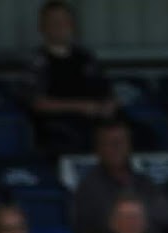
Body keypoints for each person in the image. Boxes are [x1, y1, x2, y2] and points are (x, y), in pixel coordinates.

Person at [72, 120, 168, 233]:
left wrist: (132, 217)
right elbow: (105, 224)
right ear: (99, 148)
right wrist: (141, 216)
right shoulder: (89, 187)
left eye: (121, 142)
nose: (116, 148)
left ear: (129, 146)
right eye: (110, 143)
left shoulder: (144, 182)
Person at [29, 0, 116, 155]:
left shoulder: (86, 58)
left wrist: (108, 106)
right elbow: (38, 103)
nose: (60, 27)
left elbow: (107, 92)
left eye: (64, 21)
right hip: (60, 125)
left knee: (141, 133)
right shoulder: (38, 62)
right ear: (42, 27)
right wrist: (80, 106)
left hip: (98, 121)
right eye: (54, 22)